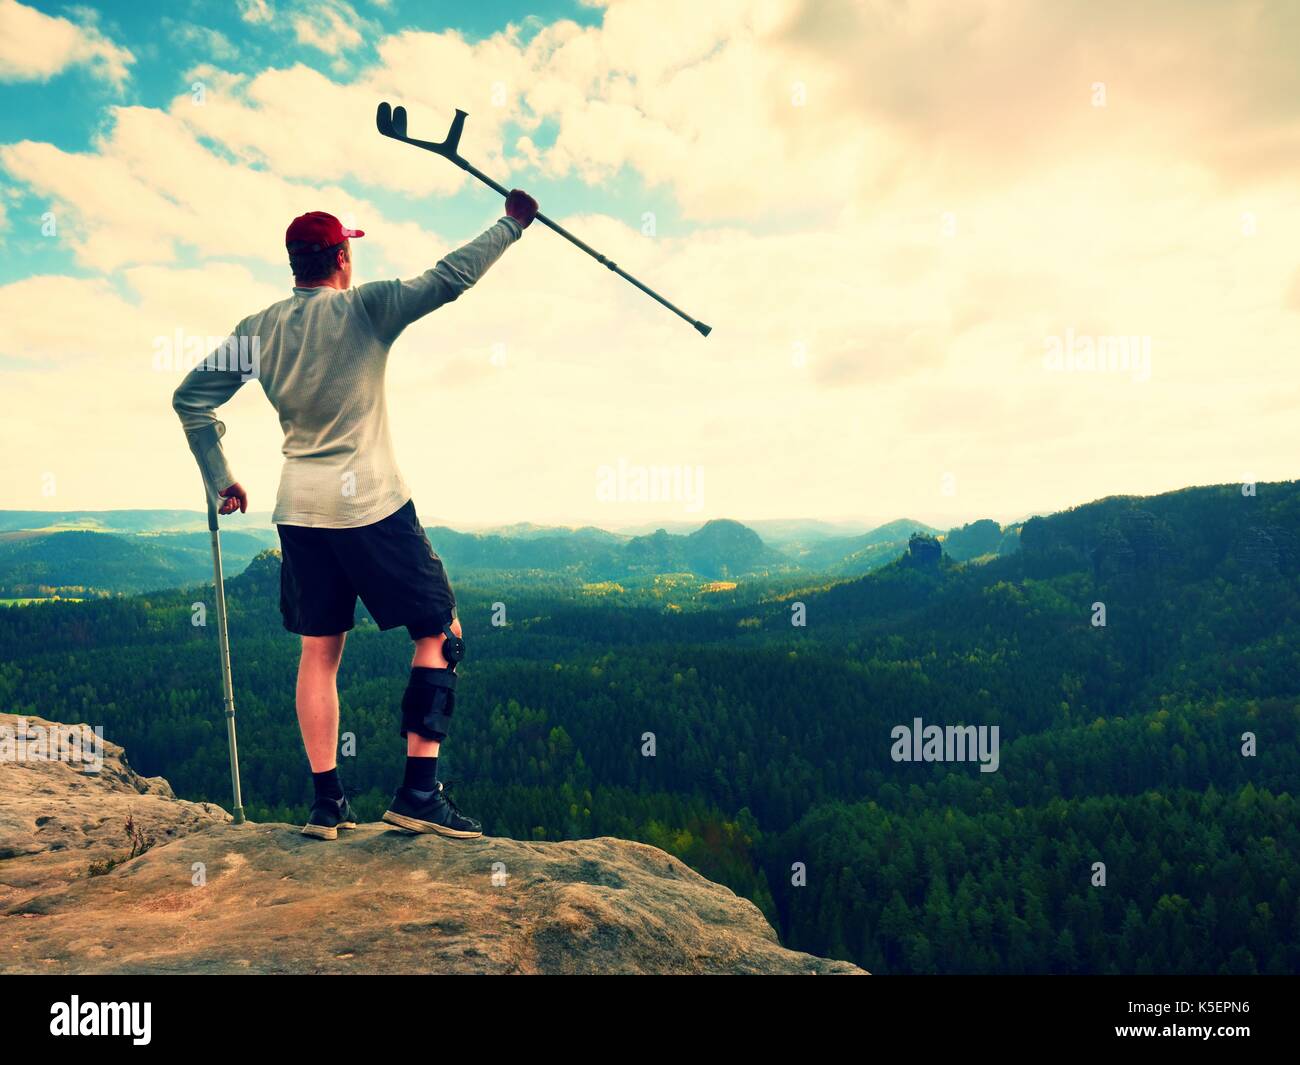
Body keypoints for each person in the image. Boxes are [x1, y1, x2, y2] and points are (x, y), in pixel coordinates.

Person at [171, 190, 539, 840]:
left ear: (295, 265)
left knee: (320, 650)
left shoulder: (259, 328)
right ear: (342, 258)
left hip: (300, 511)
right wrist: (511, 225)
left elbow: (190, 399)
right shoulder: (367, 308)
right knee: (441, 631)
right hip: (371, 504)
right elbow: (449, 278)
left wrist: (220, 477)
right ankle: (419, 793)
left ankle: (326, 804)